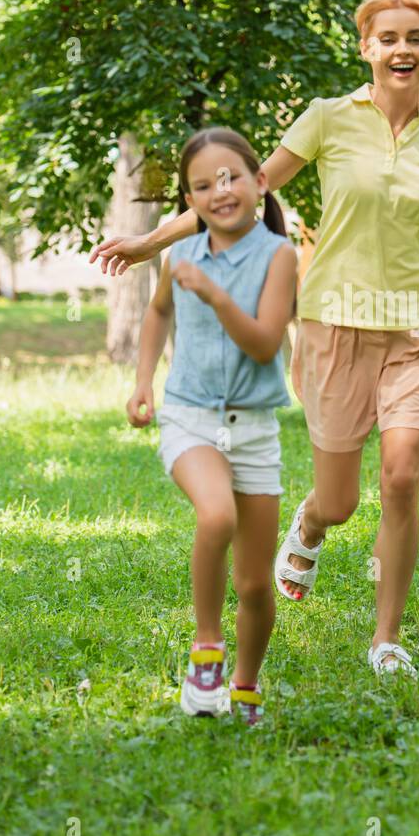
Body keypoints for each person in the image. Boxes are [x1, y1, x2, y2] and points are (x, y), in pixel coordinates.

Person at [96, 0, 419, 680]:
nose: (402, 49)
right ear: (367, 49)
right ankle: (309, 527)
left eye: (415, 38)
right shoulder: (327, 119)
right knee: (339, 500)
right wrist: (152, 240)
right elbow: (244, 192)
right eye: (388, 38)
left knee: (401, 476)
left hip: (417, 329)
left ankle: (386, 637)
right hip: (335, 324)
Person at [126, 128, 297, 721]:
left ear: (259, 181)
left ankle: (245, 685)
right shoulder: (179, 256)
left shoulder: (280, 256)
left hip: (253, 429)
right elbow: (157, 314)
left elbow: (264, 342)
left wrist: (219, 296)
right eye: (201, 186)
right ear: (190, 200)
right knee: (215, 513)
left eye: (229, 178)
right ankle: (207, 652)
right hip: (190, 417)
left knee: (254, 585)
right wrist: (144, 381)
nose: (218, 192)